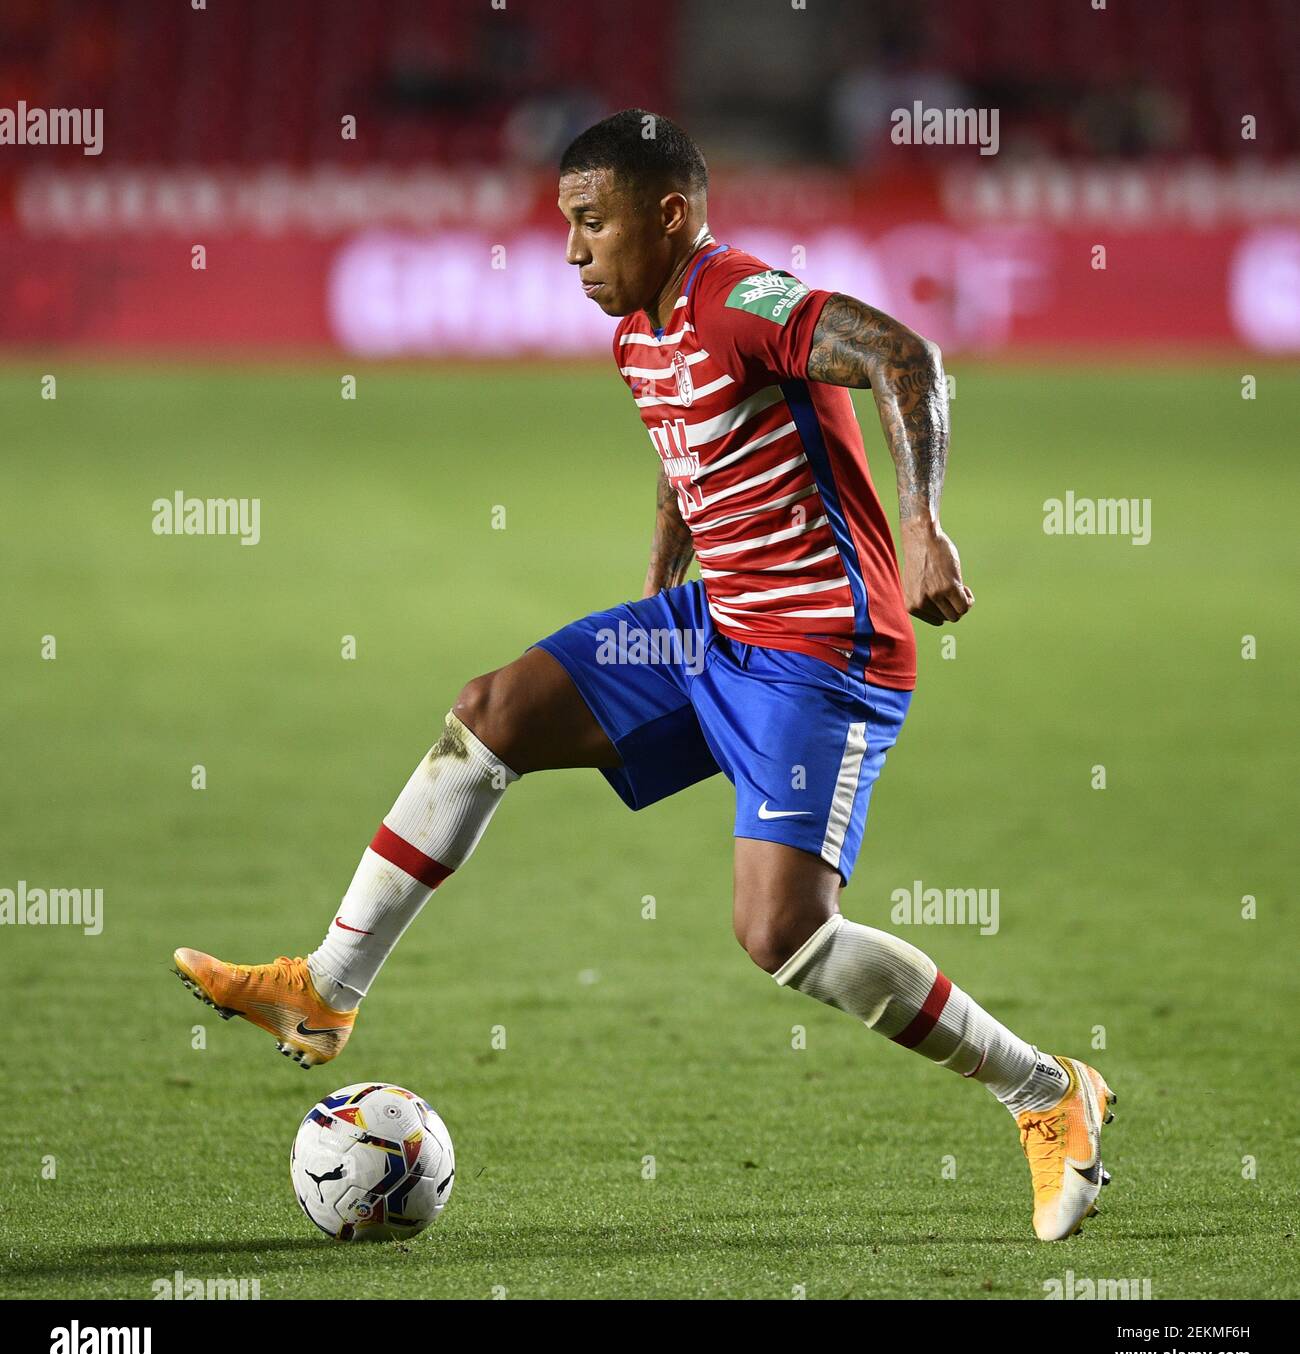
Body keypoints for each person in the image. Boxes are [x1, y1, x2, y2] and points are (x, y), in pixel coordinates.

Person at [174, 110, 1114, 1240]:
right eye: (564, 224)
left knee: (784, 937)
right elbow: (685, 450)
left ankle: (1047, 1091)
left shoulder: (737, 297)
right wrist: (665, 562)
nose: (571, 249)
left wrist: (922, 523)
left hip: (821, 647)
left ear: (668, 215)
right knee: (493, 713)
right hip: (711, 623)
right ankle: (325, 990)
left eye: (591, 221)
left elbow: (901, 355)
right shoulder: (635, 329)